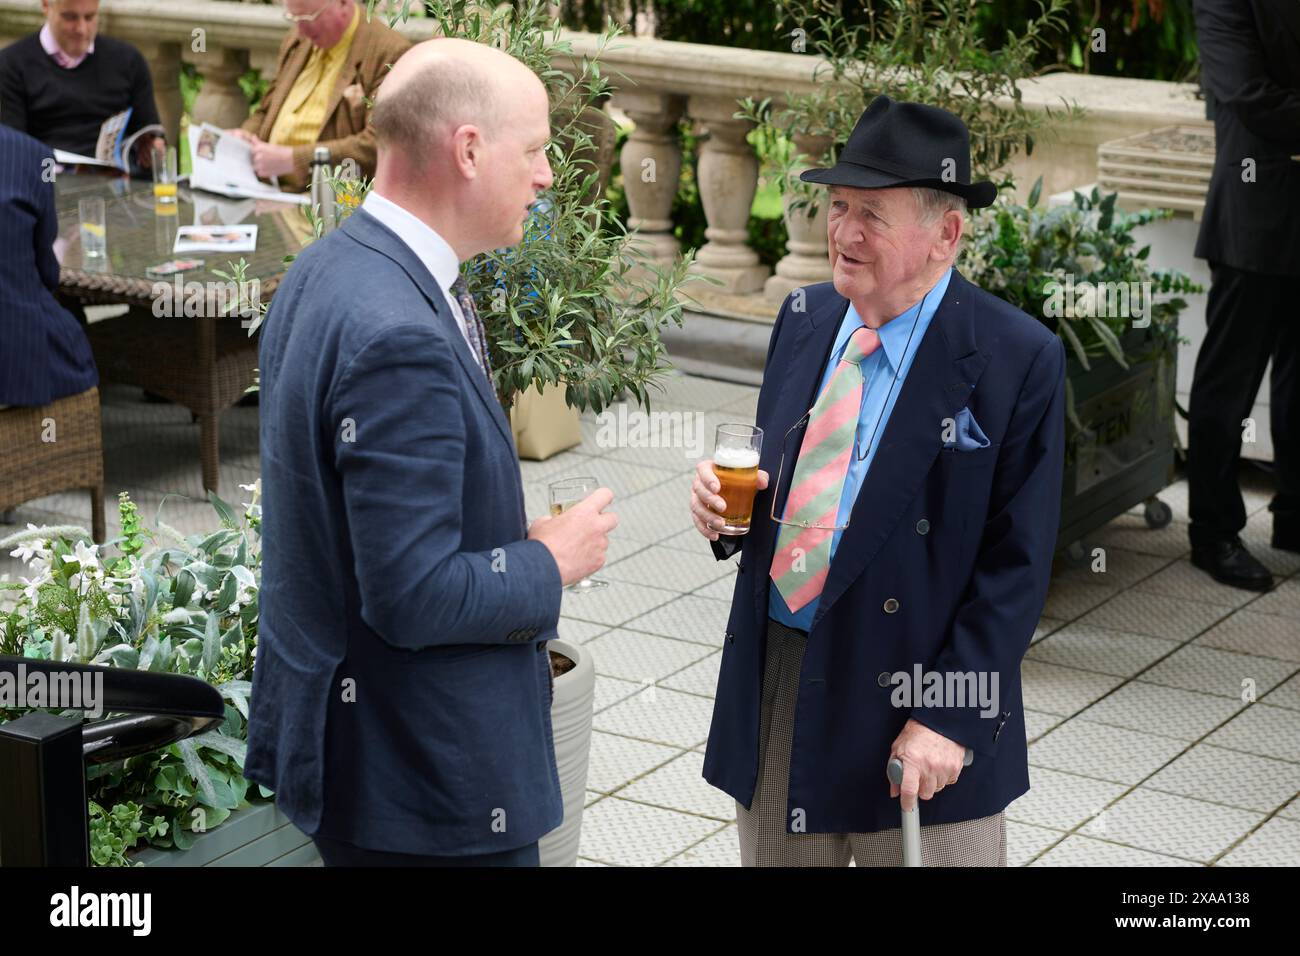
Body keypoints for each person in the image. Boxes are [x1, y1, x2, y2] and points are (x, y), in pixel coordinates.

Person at [244, 37, 617, 867]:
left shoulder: (324, 269)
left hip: (363, 761)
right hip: (425, 787)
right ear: (470, 150)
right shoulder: (399, 334)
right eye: (536, 149)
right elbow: (410, 596)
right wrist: (549, 561)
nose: (549, 174)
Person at [688, 96, 1066, 866]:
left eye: (873, 213)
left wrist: (953, 716)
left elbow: (1016, 567)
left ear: (946, 234)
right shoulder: (805, 315)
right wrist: (729, 516)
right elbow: (785, 481)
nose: (843, 231)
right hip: (786, 676)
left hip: (922, 700)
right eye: (838, 205)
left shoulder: (1016, 357)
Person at [1186, 0, 1300, 591]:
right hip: (1254, 214)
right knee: (1228, 387)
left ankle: (1295, 517)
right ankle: (1213, 533)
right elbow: (1247, 93)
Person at [227, 0, 410, 190]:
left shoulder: (388, 53)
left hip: (330, 200)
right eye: (293, 18)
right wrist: (246, 136)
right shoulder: (297, 39)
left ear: (343, 3)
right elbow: (267, 110)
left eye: (309, 18)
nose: (301, 29)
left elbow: (378, 145)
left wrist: (295, 160)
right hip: (267, 190)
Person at [0, 124, 98, 408]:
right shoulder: (35, 156)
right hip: (16, 364)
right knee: (72, 341)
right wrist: (58, 250)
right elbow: (47, 275)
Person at [0, 0, 162, 168]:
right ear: (46, 6)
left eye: (90, 17)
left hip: (116, 181)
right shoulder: (12, 64)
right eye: (69, 17)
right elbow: (13, 148)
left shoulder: (128, 60)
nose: (81, 29)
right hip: (46, 180)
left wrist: (153, 147)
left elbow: (148, 130)